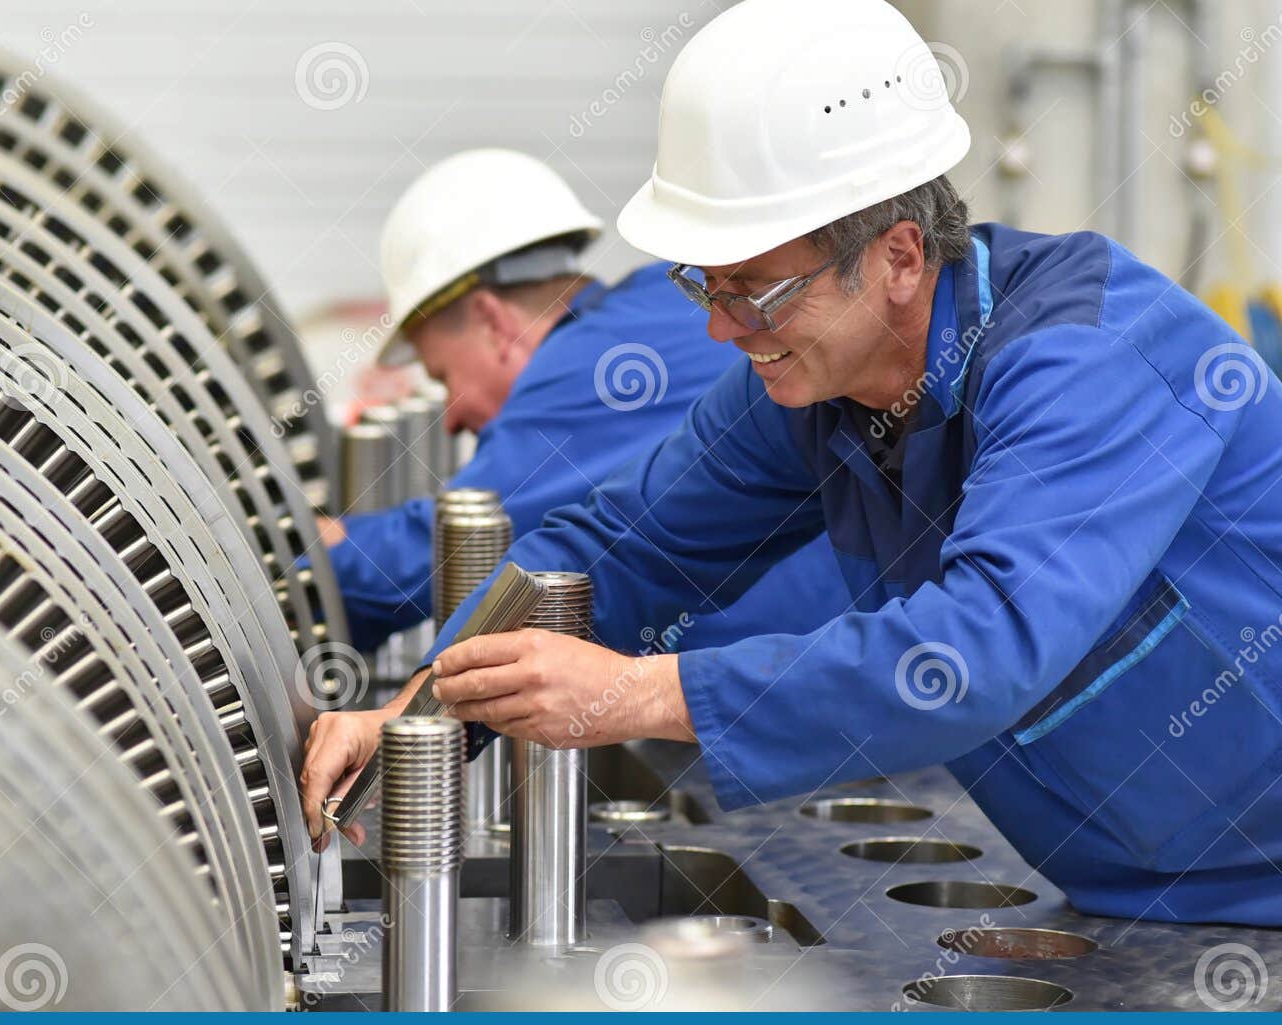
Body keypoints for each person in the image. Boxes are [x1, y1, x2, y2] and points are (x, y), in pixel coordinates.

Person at [301, 0, 1282, 925]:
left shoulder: (1090, 353)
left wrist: (632, 692)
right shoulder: (815, 388)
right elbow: (621, 548)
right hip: (1139, 903)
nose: (725, 329)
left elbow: (977, 647)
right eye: (706, 286)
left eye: (758, 292)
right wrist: (417, 710)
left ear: (898, 256)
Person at [323, 147, 840, 652]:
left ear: (491, 322)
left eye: (444, 375)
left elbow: (433, 555)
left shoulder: (586, 365)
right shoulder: (654, 304)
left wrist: (298, 561)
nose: (452, 419)